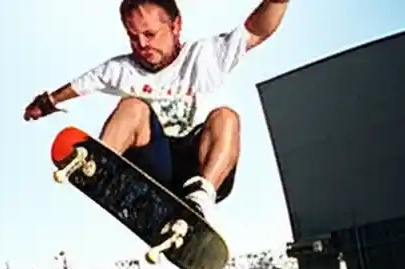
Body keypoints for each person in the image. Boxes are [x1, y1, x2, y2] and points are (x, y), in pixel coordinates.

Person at [24, 0, 292, 223]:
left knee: (227, 116)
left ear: (176, 26)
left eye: (150, 34)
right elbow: (80, 86)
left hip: (201, 166)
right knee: (132, 106)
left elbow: (256, 31)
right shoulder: (122, 69)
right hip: (157, 163)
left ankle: (200, 201)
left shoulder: (208, 54)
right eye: (133, 37)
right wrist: (46, 104)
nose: (141, 45)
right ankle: (104, 169)